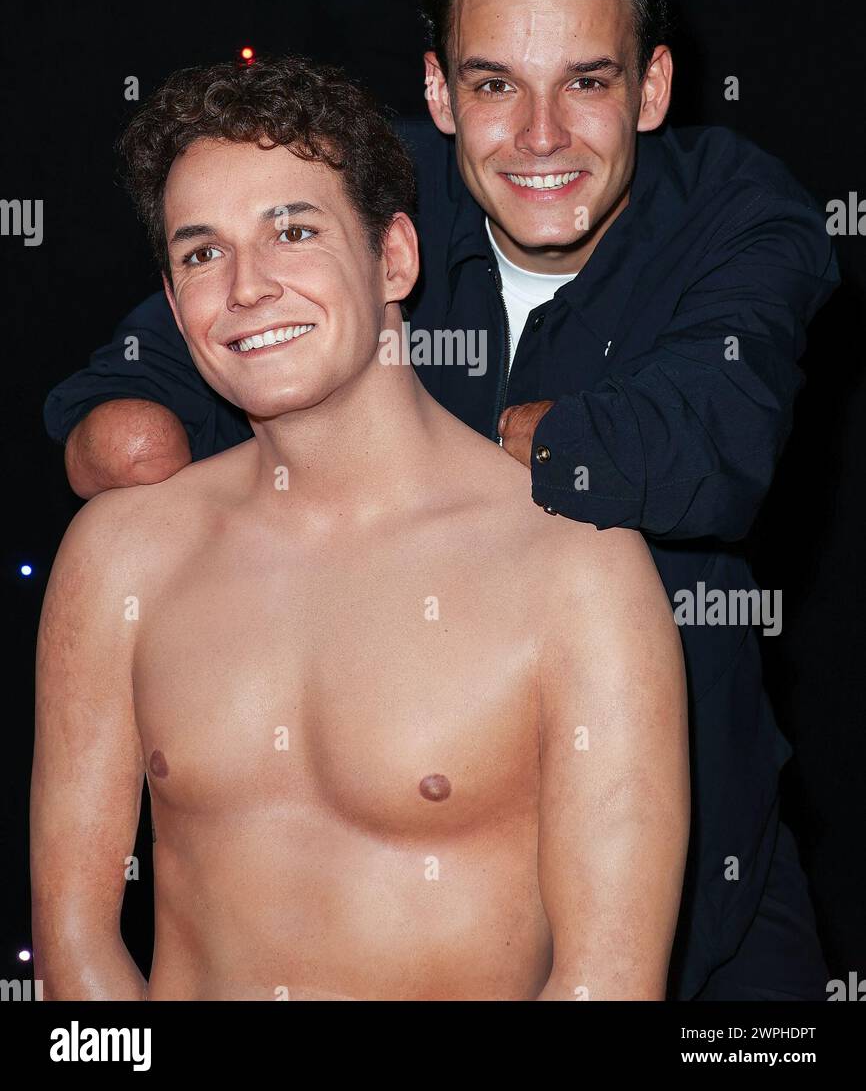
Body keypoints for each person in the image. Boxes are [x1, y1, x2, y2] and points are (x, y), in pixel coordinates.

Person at [43, 0, 839, 999]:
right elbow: (141, 403)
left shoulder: (744, 216)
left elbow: (704, 447)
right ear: (438, 89)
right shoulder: (346, 190)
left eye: (587, 83)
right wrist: (206, 517)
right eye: (494, 84)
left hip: (718, 878)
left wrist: (433, 476)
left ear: (651, 87)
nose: (541, 135)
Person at [30, 55, 689, 1001]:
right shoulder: (119, 554)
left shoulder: (576, 564)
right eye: (202, 253)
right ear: (175, 308)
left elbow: (609, 984)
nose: (246, 287)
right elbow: (75, 955)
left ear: (395, 259)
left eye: (292, 231)